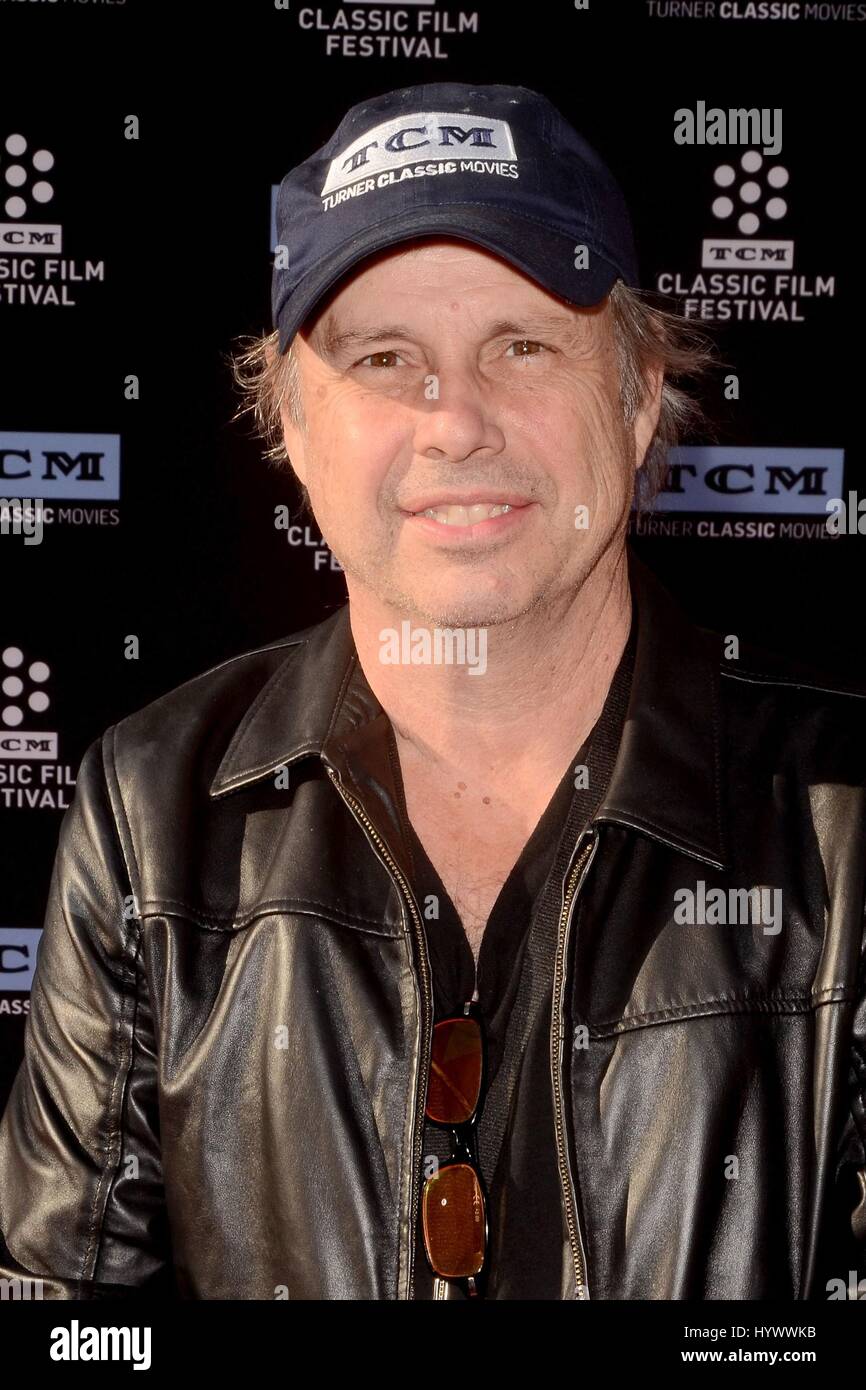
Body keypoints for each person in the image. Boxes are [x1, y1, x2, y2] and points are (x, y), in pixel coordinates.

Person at [1, 82, 864, 1301]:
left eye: (520, 345)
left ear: (632, 399)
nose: (454, 419)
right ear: (292, 429)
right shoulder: (152, 810)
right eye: (383, 358)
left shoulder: (844, 820)